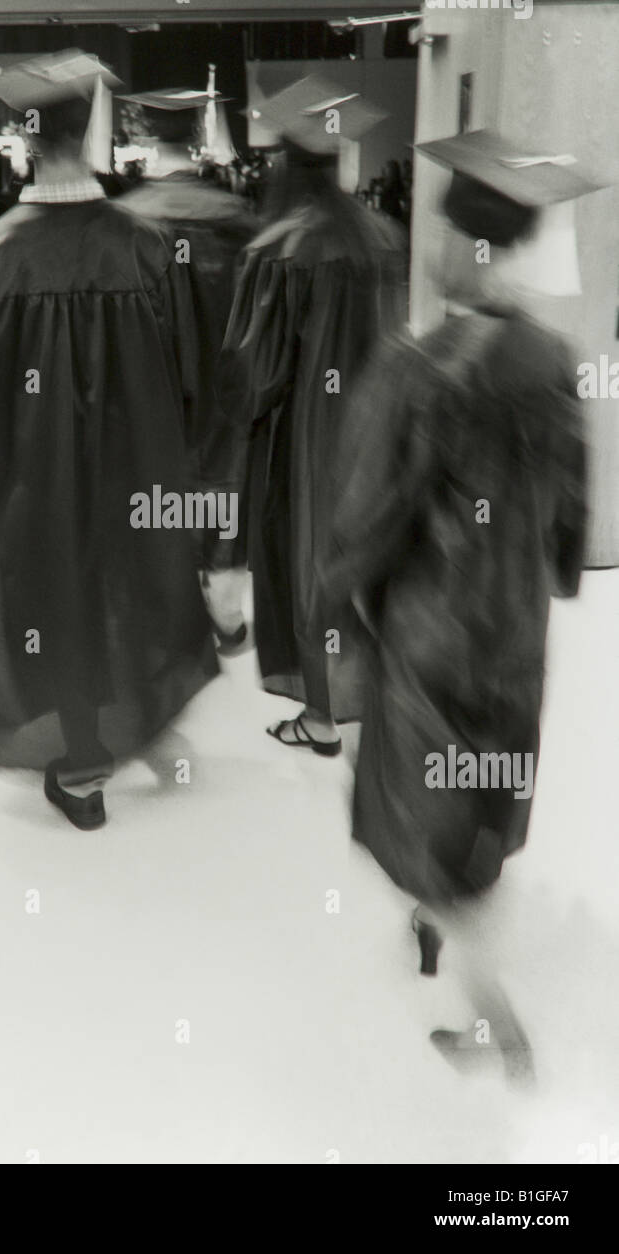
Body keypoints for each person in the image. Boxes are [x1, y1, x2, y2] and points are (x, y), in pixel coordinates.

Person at [322, 128, 596, 1080]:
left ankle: (494, 1022)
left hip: (428, 642)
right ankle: (438, 923)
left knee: (420, 805)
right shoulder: (552, 363)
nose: (427, 249)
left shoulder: (413, 369)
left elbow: (361, 524)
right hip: (512, 636)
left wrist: (339, 603)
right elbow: (568, 528)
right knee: (477, 805)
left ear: (464, 246)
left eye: (438, 233)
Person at [0, 52, 218, 830]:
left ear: (23, 139)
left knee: (53, 598)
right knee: (129, 582)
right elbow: (191, 373)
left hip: (36, 475)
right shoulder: (147, 244)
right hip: (137, 466)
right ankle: (146, 714)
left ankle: (84, 769)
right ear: (89, 131)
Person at [218, 74, 407, 753]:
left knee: (307, 559)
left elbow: (257, 372)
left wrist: (245, 418)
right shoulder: (383, 237)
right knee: (371, 553)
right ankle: (378, 698)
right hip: (382, 426)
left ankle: (321, 716)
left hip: (309, 435)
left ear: (285, 164)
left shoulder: (279, 250)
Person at [117, 88, 257, 650]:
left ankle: (167, 619)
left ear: (147, 134)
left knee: (157, 485)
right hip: (226, 380)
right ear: (197, 134)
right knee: (222, 484)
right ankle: (226, 616)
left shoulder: (124, 220)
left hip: (152, 387)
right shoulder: (235, 216)